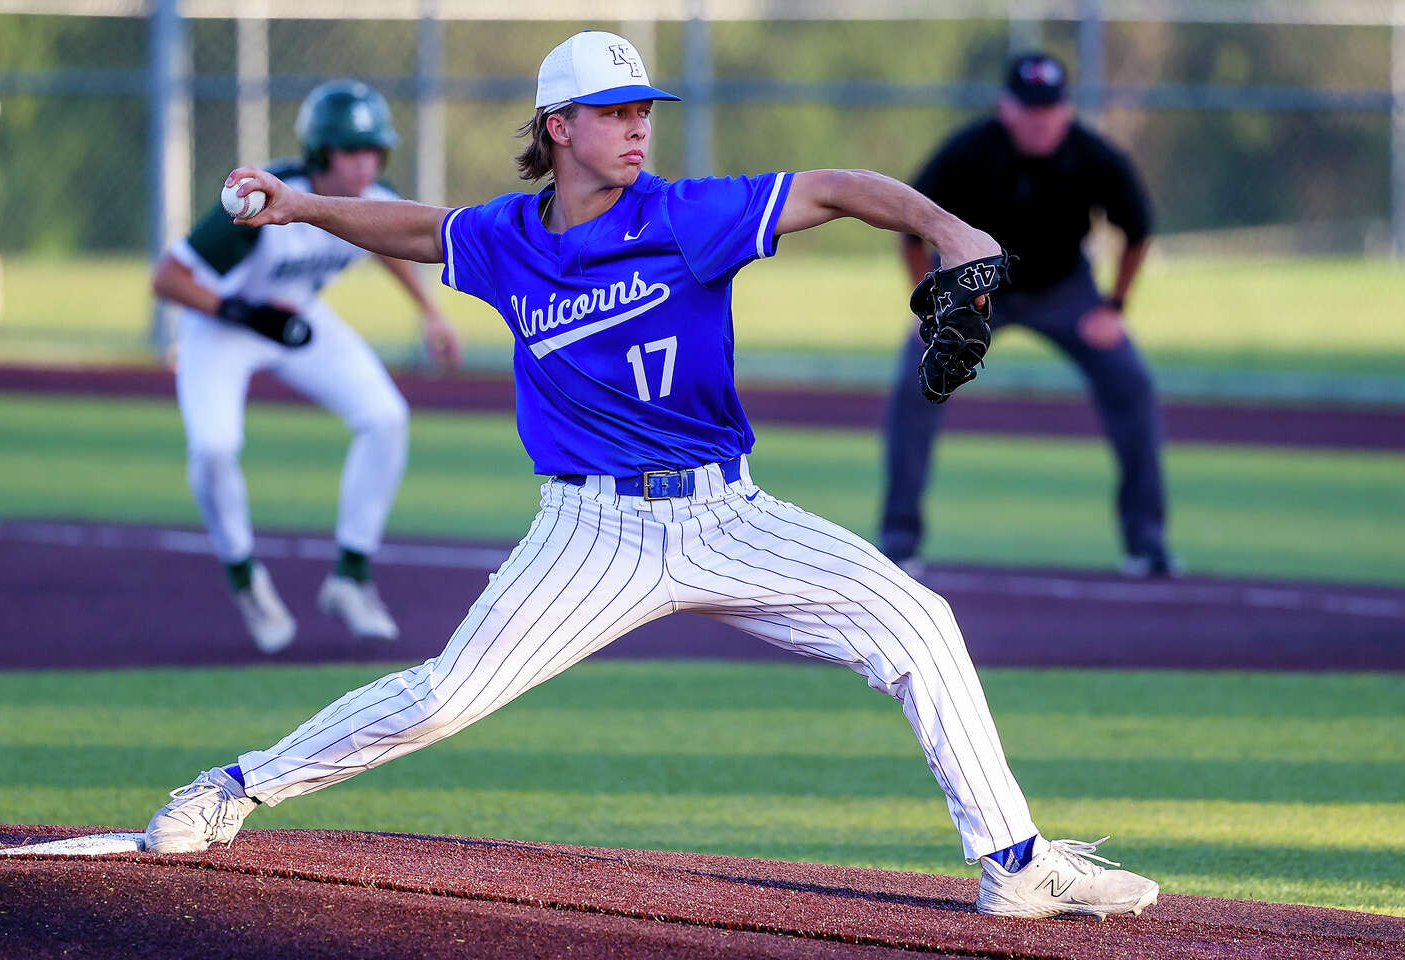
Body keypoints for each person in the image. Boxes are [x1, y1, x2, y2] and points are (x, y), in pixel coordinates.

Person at [142, 32, 1157, 920]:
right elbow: (418, 228)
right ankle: (232, 788)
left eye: (644, 110)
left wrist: (950, 230)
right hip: (593, 533)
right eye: (614, 111)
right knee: (446, 697)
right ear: (559, 126)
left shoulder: (686, 214)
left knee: (919, 625)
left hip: (728, 512)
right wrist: (302, 206)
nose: (638, 127)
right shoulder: (508, 239)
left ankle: (1014, 864)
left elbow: (840, 187)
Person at [151, 80, 461, 654]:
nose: (366, 163)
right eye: (352, 150)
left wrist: (430, 313)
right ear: (321, 152)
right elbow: (167, 279)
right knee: (214, 448)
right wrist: (242, 312)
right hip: (220, 326)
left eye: (375, 150)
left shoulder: (372, 196)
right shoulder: (263, 198)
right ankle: (245, 578)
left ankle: (352, 578)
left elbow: (387, 243)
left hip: (298, 318)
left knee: (385, 418)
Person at [880, 53, 1177, 579]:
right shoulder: (970, 151)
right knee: (914, 384)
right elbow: (908, 228)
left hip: (1064, 290)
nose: (1041, 121)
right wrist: (929, 309)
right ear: (1006, 108)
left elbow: (1137, 229)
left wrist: (1114, 308)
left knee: (1130, 381)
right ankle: (898, 542)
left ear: (1066, 111)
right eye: (1030, 109)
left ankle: (1147, 543)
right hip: (974, 290)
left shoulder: (1092, 155)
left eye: (1051, 109)